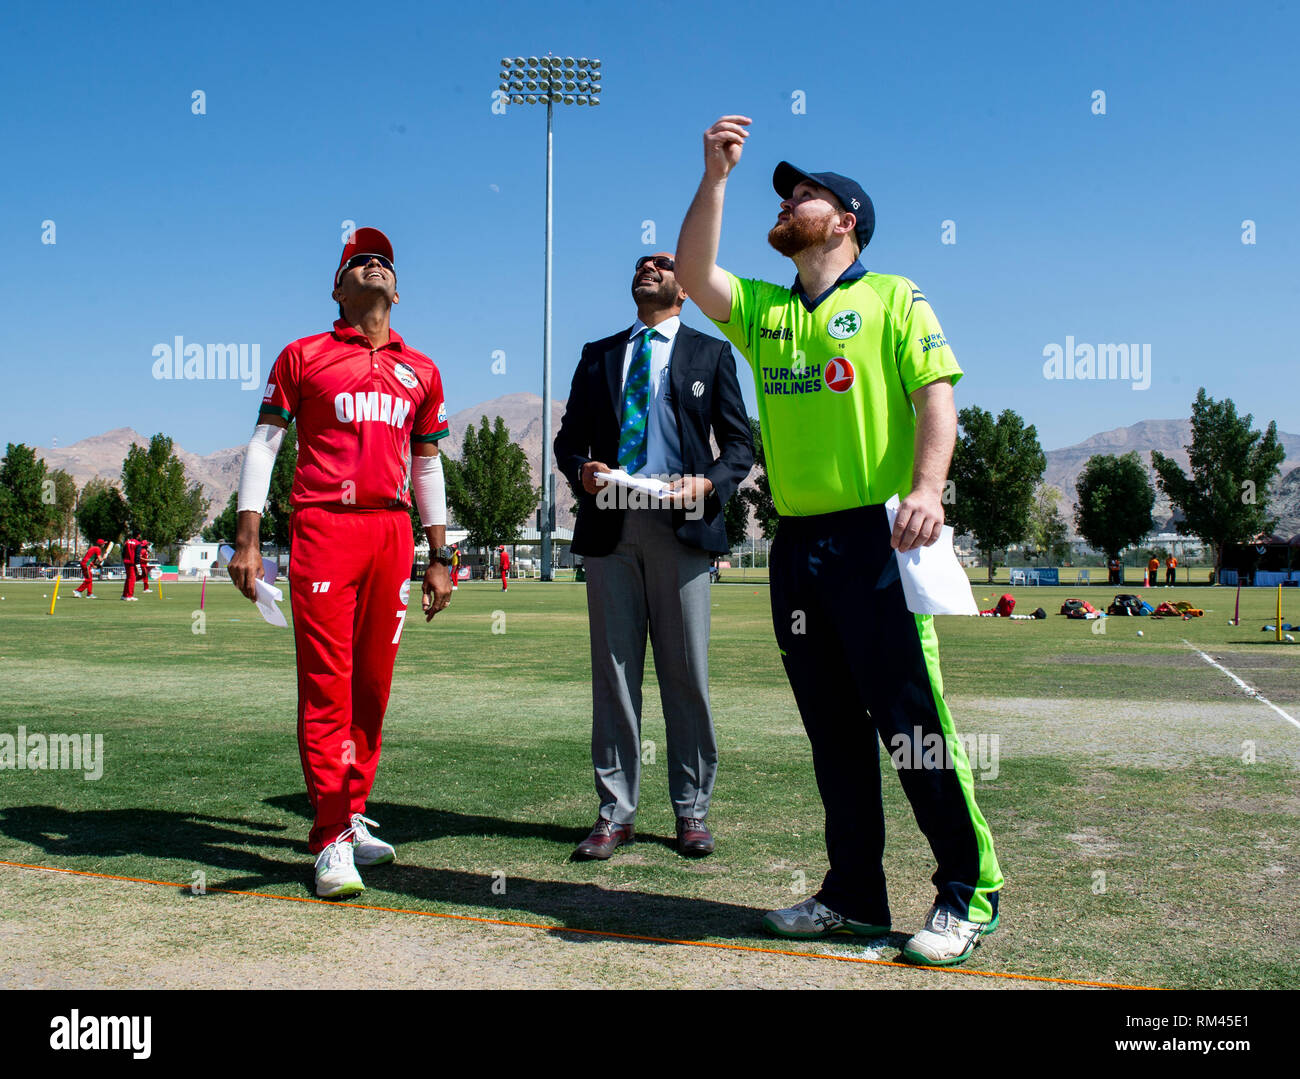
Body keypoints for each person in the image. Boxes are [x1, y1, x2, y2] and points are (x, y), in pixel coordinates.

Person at [674, 116, 1002, 965]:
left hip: (878, 537)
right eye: (783, 193)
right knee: (833, 729)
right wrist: (714, 179)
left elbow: (937, 397)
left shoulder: (893, 295)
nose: (786, 200)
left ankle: (971, 891)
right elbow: (693, 276)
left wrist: (927, 489)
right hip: (797, 548)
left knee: (911, 722)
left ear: (845, 219)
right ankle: (854, 895)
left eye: (803, 194)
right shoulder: (768, 310)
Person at [228, 227, 454, 898]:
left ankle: (351, 811)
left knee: (372, 687)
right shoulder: (305, 355)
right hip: (325, 524)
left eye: (384, 258)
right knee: (327, 683)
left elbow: (427, 463)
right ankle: (327, 839)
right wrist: (247, 537)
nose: (375, 263)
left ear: (398, 287)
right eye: (359, 259)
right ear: (337, 286)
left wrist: (439, 554)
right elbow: (265, 445)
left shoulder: (423, 369)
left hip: (392, 529)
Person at [555, 250, 753, 860]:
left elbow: (740, 445)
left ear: (684, 288)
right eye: (641, 263)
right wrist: (583, 469)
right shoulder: (599, 354)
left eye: (664, 263)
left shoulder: (710, 353)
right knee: (613, 678)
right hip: (611, 526)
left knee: (685, 673)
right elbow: (568, 441)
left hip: (685, 524)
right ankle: (614, 812)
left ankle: (692, 810)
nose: (649, 268)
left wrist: (709, 484)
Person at [121, 532, 140, 601]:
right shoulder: (138, 543)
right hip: (132, 563)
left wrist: (125, 559)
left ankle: (124, 595)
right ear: (138, 535)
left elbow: (123, 553)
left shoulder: (127, 542)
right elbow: (137, 556)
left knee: (128, 578)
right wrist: (138, 567)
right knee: (132, 579)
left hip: (126, 562)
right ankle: (129, 595)